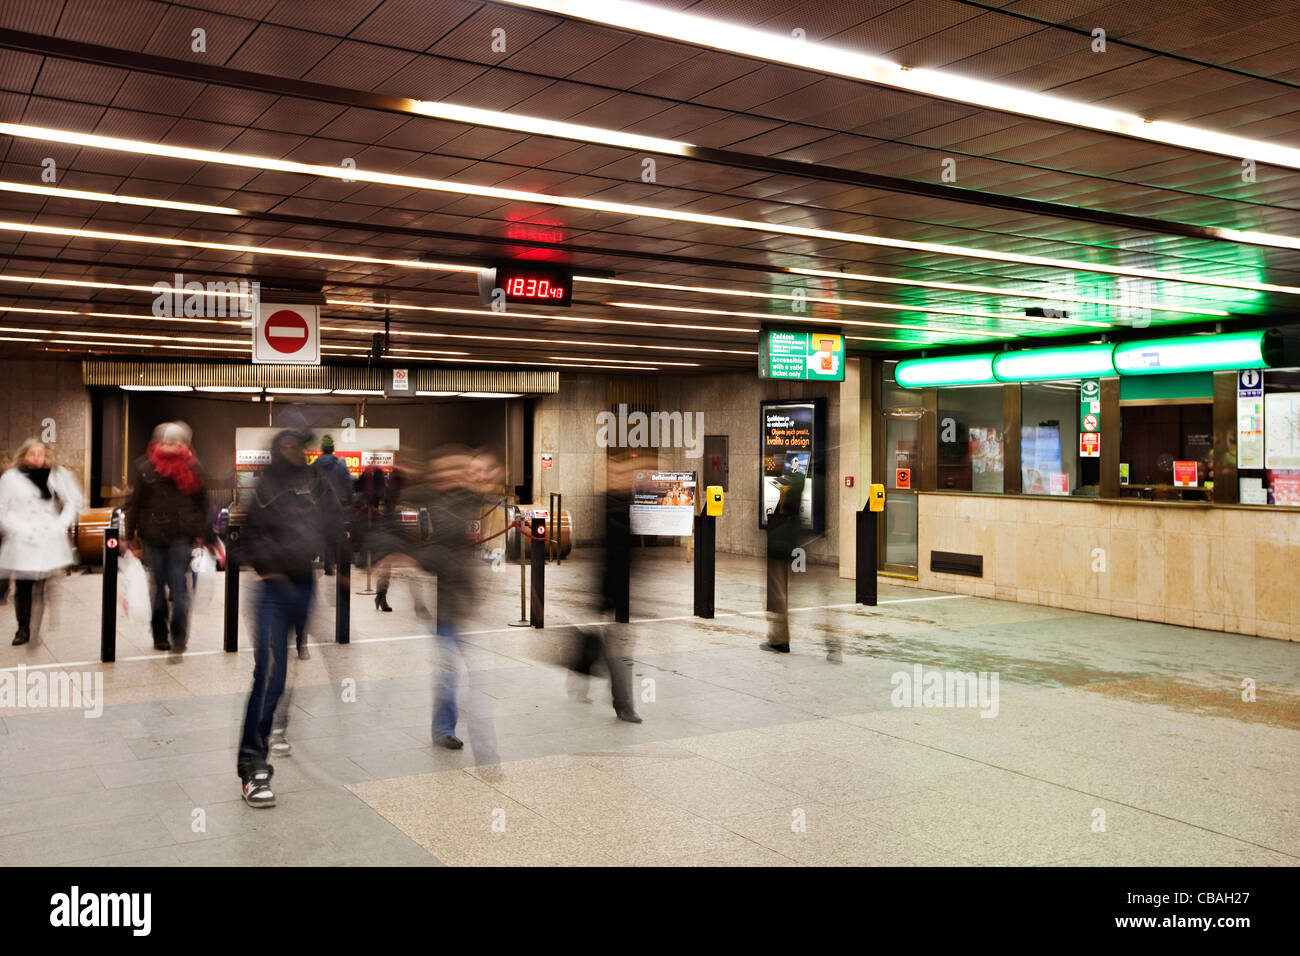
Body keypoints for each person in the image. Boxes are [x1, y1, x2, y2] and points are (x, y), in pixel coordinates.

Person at [235, 419, 337, 808]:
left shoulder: (316, 481)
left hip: (304, 586)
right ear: (281, 448)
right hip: (273, 590)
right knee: (270, 673)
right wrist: (272, 570)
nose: (300, 451)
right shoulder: (266, 486)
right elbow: (250, 537)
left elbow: (333, 522)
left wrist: (343, 558)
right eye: (293, 445)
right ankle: (252, 767)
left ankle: (278, 725)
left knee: (289, 665)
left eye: (304, 445)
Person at [408, 445, 498, 760]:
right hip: (447, 601)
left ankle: (450, 729)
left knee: (463, 669)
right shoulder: (445, 504)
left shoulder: (470, 501)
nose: (481, 477)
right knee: (449, 670)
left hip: (462, 601)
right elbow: (438, 548)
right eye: (474, 472)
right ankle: (444, 729)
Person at [565, 453, 642, 722]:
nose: (622, 479)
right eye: (616, 475)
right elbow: (614, 557)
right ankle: (624, 706)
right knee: (620, 652)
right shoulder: (613, 508)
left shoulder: (620, 506)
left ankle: (584, 675)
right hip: (613, 592)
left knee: (613, 649)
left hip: (620, 592)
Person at [124, 422, 212, 654]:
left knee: (179, 587)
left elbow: (203, 503)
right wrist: (129, 537)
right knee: (157, 588)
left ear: (184, 443)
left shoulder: (193, 468)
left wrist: (202, 533)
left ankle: (179, 634)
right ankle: (160, 634)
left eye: (176, 442)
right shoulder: (146, 468)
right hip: (153, 536)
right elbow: (136, 504)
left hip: (181, 536)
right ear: (159, 443)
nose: (172, 446)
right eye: (167, 441)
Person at [0, 440, 82, 645]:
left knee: (41, 586)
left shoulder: (57, 474)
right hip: (22, 539)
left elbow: (74, 501)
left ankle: (35, 625)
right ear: (23, 455)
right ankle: (23, 629)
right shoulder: (11, 478)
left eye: (40, 453)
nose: (37, 457)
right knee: (23, 587)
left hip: (47, 539)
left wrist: (60, 523)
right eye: (32, 453)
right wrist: (15, 527)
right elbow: (2, 507)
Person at [760, 469, 804, 654]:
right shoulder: (793, 502)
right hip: (786, 548)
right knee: (779, 595)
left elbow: (780, 520)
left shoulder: (788, 501)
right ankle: (778, 637)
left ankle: (780, 639)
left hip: (779, 549)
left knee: (778, 595)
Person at [310, 435, 353, 576]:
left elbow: (309, 486)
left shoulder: (315, 466)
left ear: (322, 449)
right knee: (334, 535)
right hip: (336, 507)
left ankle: (322, 560)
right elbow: (348, 485)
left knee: (320, 534)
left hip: (318, 507)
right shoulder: (340, 464)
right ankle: (331, 563)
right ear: (333, 449)